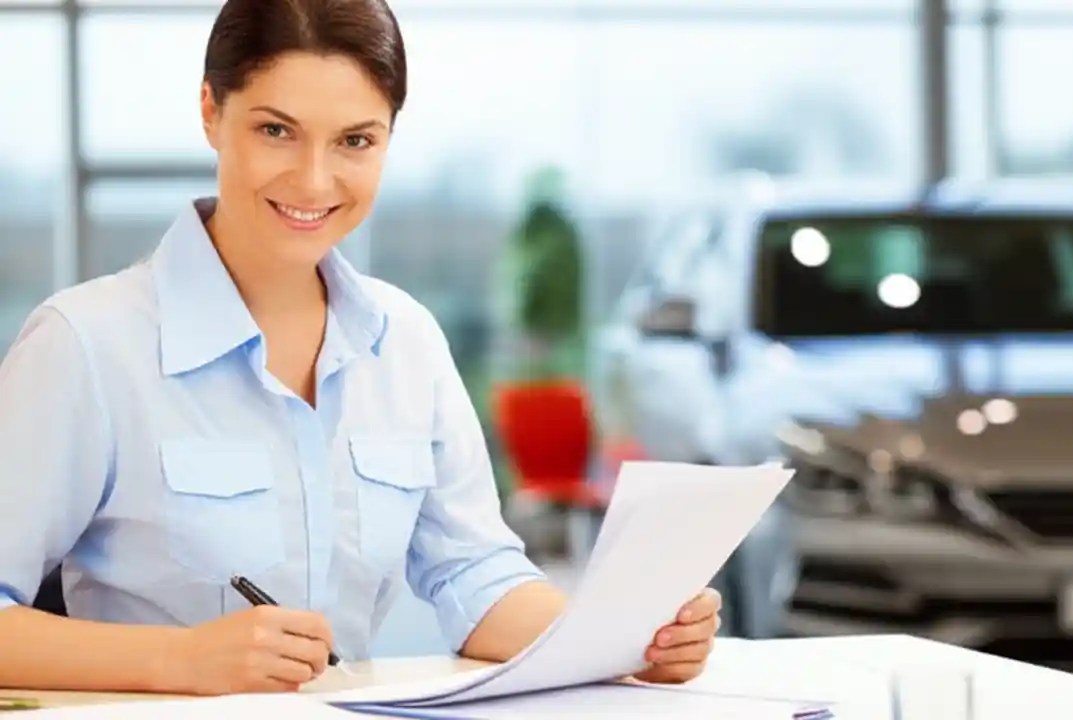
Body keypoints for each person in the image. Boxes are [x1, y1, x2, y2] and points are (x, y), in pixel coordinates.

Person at [0, 0, 720, 696]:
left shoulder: (405, 342)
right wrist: (180, 659)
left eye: (355, 141)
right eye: (277, 130)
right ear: (211, 112)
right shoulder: (86, 346)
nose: (314, 180)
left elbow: (476, 578)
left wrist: (624, 643)